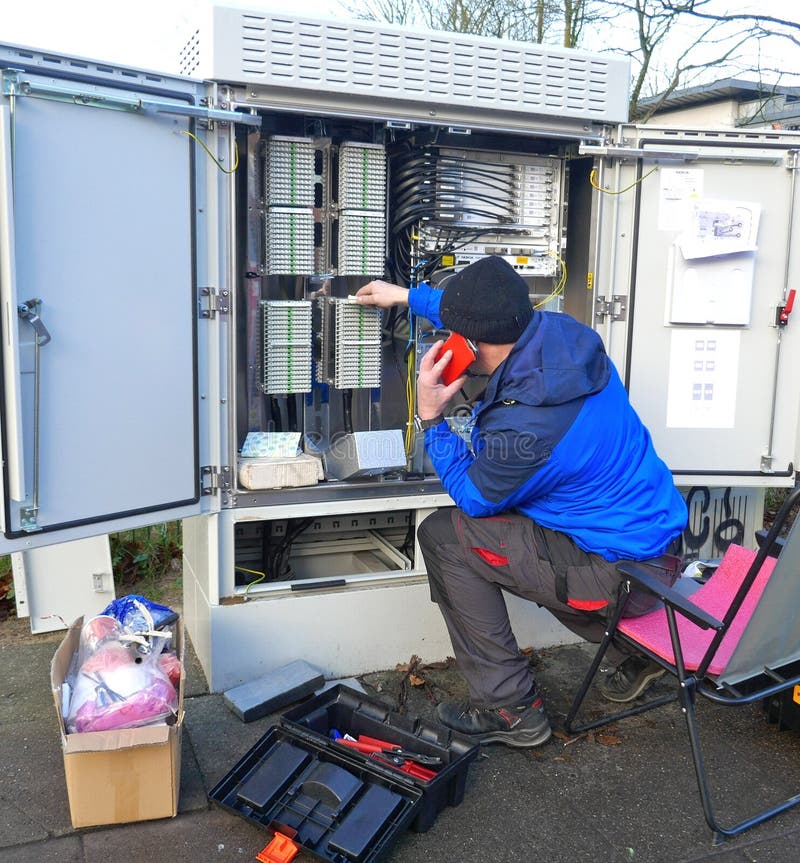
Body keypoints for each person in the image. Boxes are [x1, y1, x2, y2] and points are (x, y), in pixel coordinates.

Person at [355, 255, 687, 748]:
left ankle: (509, 708)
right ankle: (632, 654)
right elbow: (477, 311)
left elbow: (475, 497)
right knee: (540, 539)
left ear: (467, 345)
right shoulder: (560, 335)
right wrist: (405, 296)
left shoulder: (528, 430)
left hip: (618, 576)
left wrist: (432, 420)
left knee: (445, 536)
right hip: (662, 550)